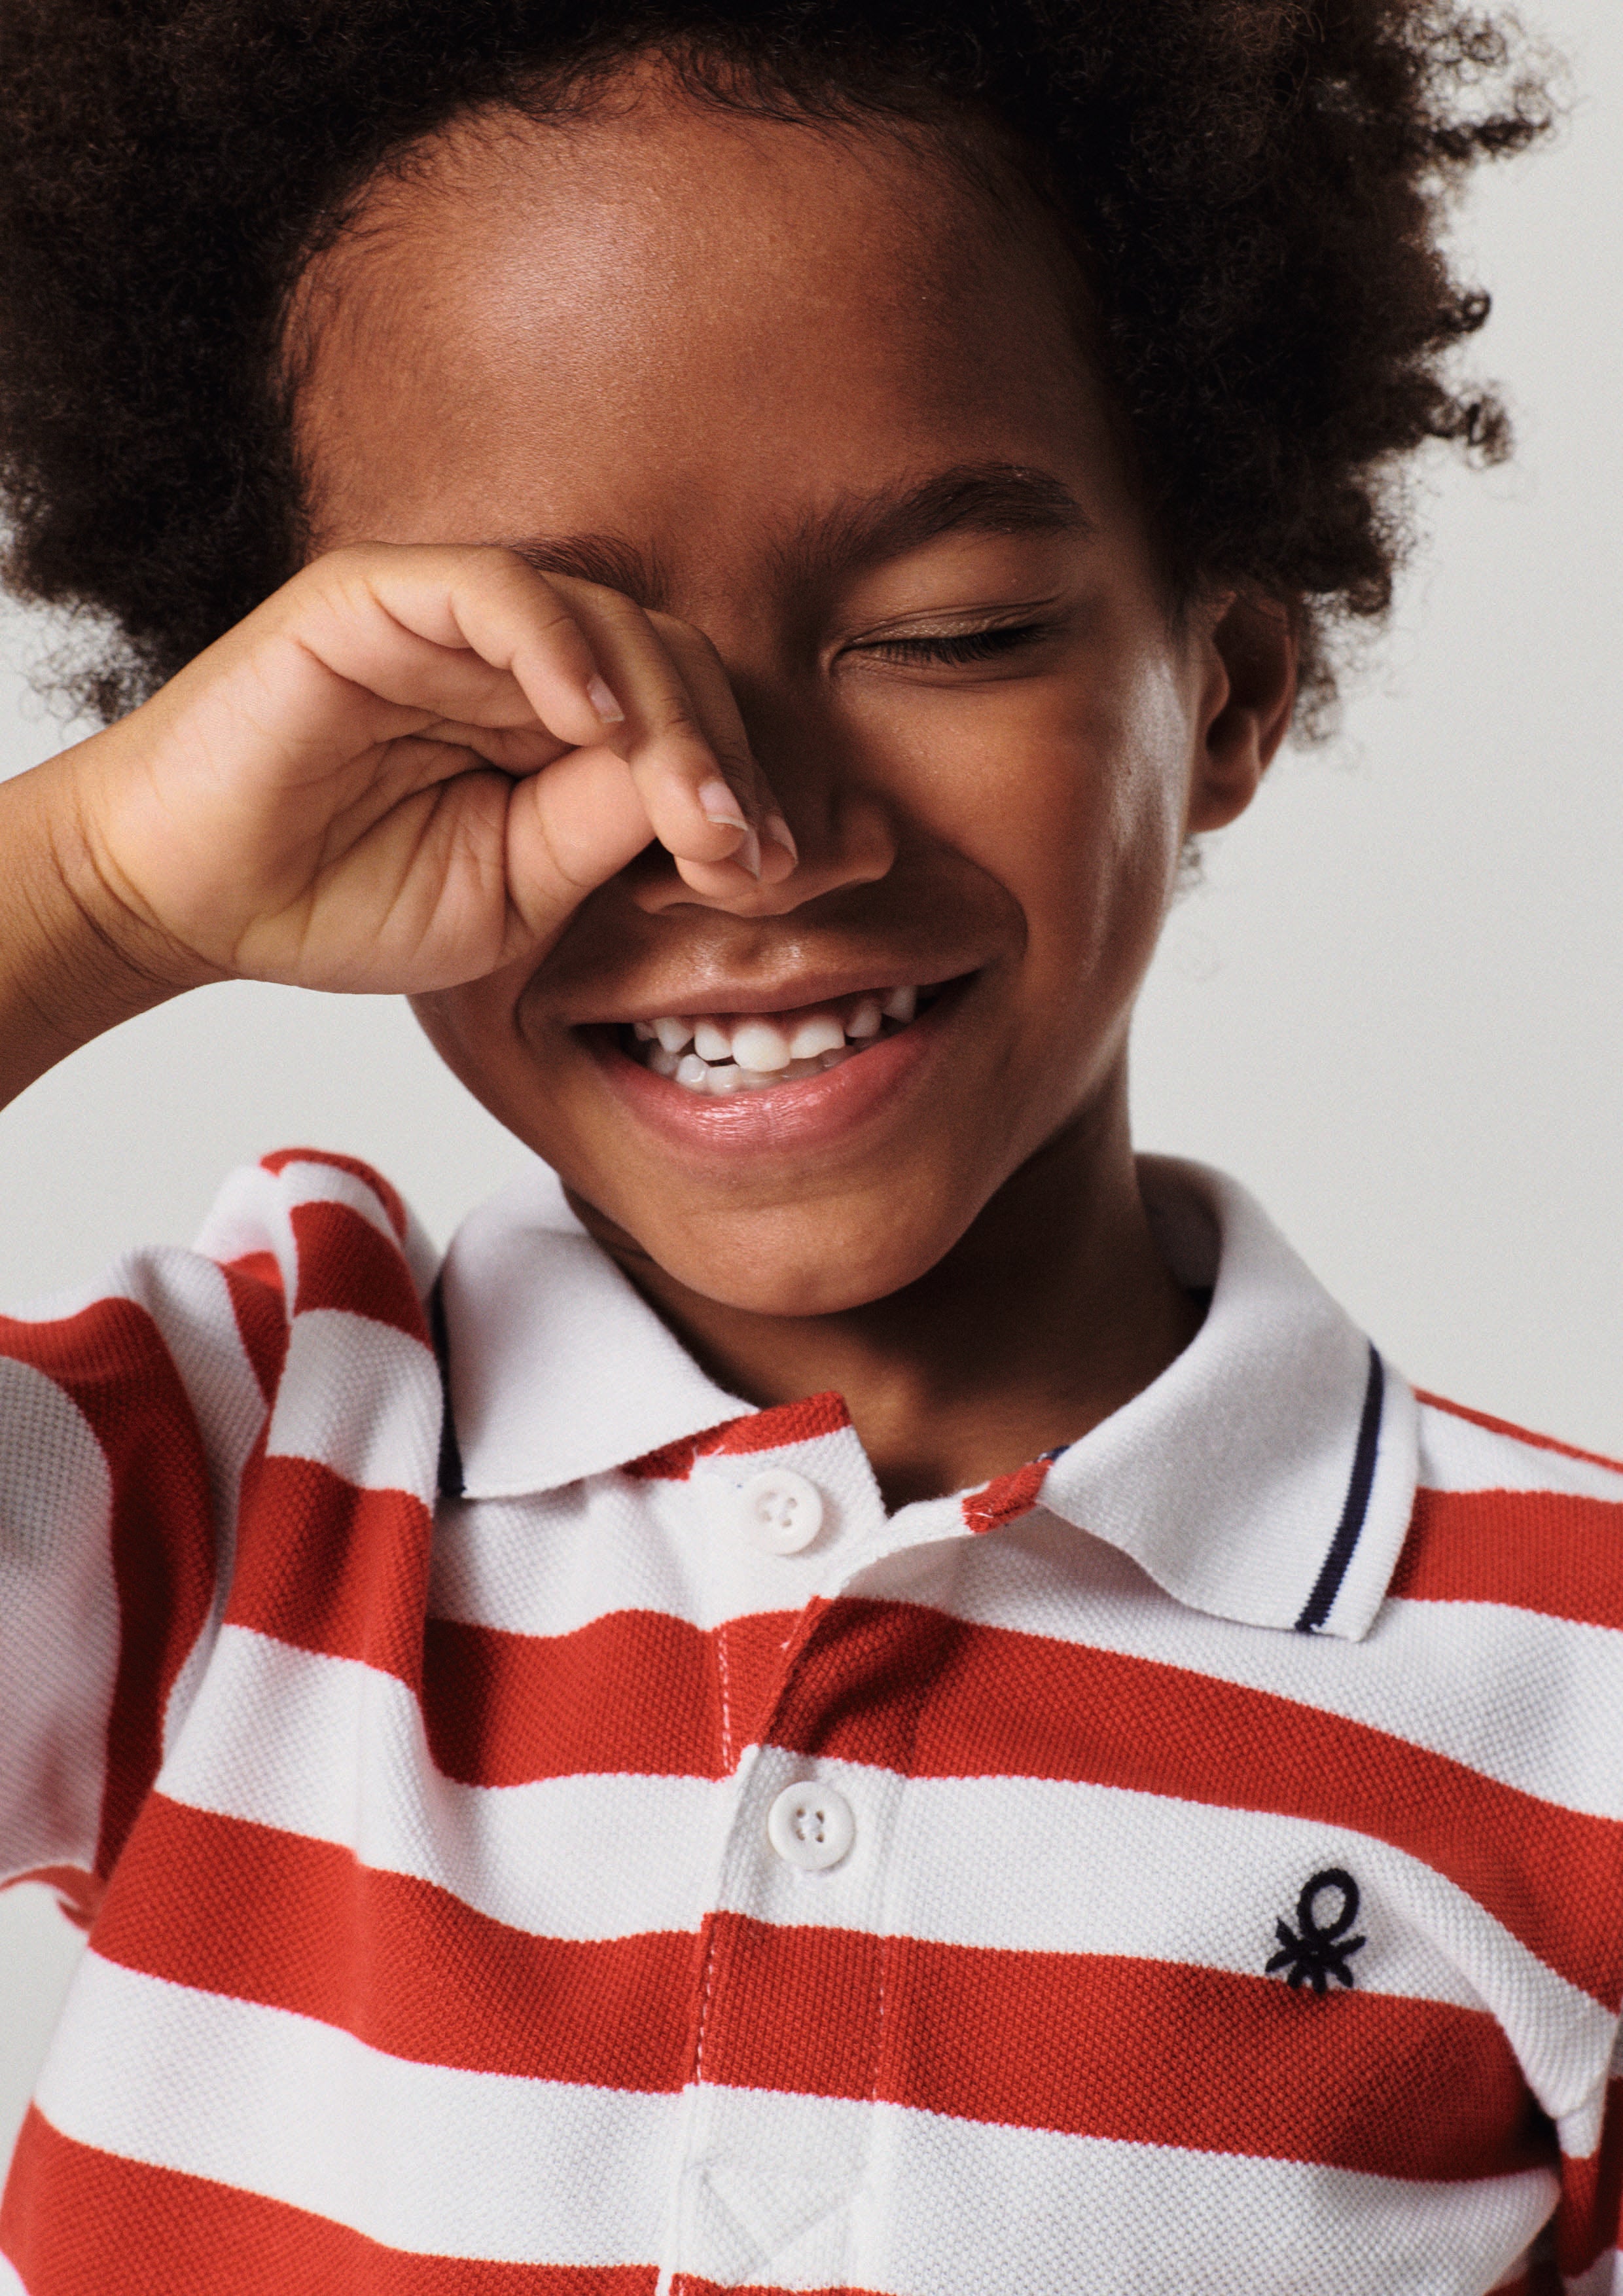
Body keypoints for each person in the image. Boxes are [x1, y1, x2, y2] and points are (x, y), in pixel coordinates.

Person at [0, 3, 1614, 2290]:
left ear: (1230, 691)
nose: (741, 831)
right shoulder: (231, 1470)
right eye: (525, 685)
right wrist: (93, 887)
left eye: (950, 633)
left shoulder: (1577, 1691)